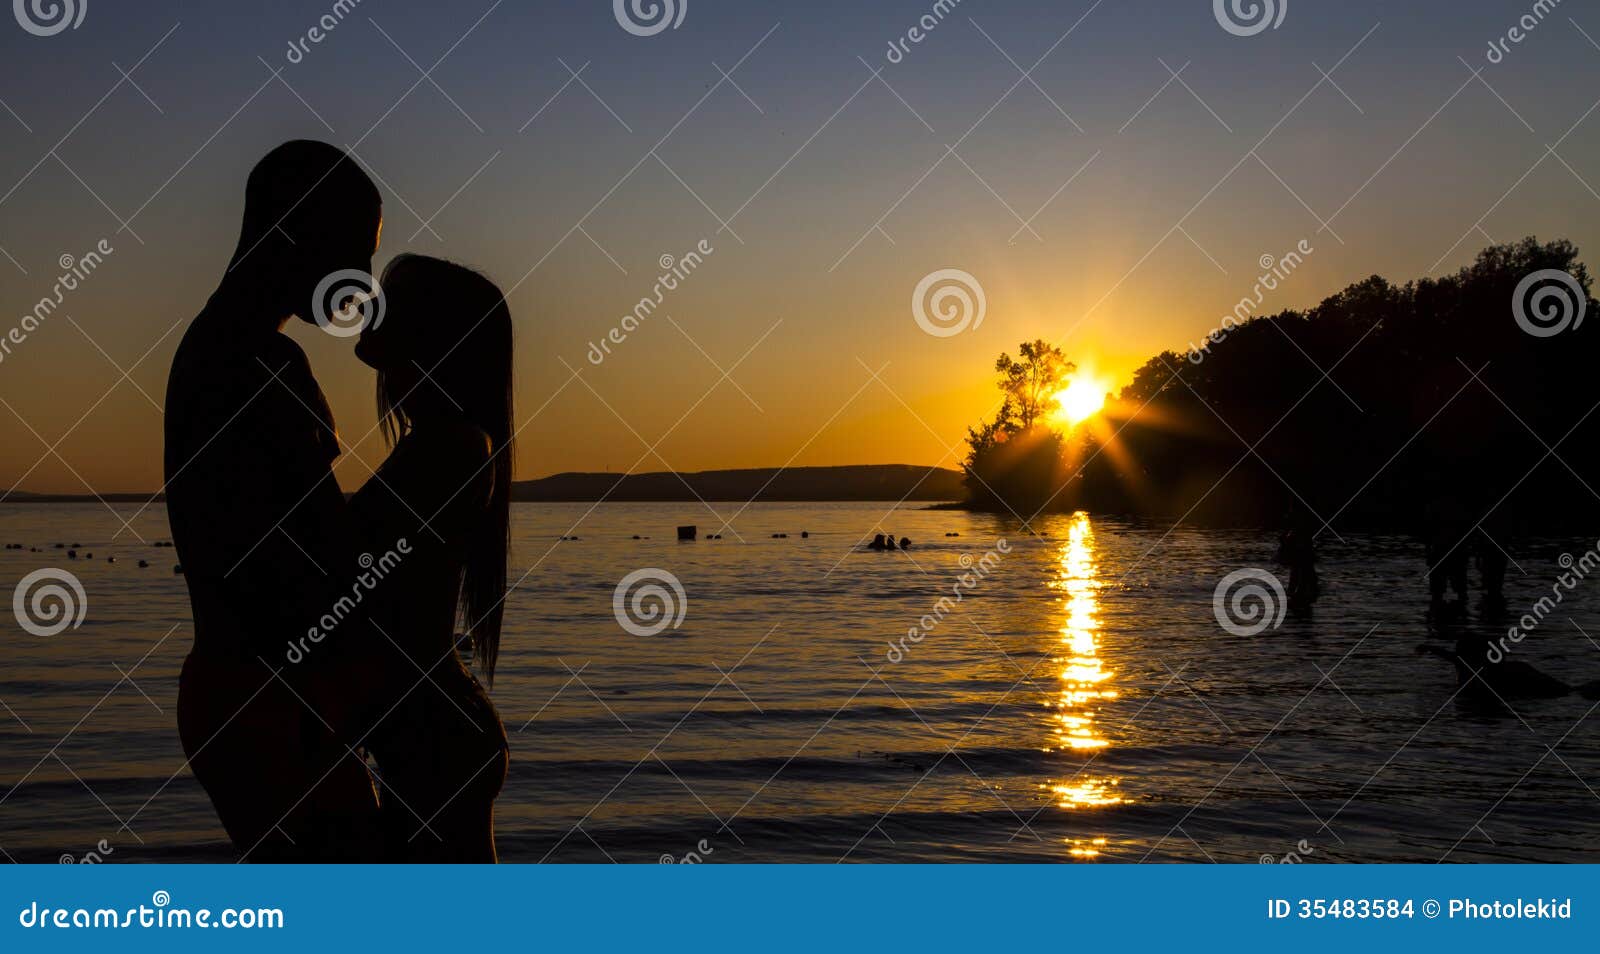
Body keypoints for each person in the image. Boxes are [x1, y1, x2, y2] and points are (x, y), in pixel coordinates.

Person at [164, 141, 385, 861]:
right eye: (357, 250)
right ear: (294, 230)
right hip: (269, 698)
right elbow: (318, 545)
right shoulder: (258, 363)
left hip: (246, 691)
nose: (367, 280)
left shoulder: (218, 349)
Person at [350, 254, 513, 862]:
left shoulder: (450, 446)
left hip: (434, 743)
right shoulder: (443, 444)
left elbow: (345, 564)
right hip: (429, 738)